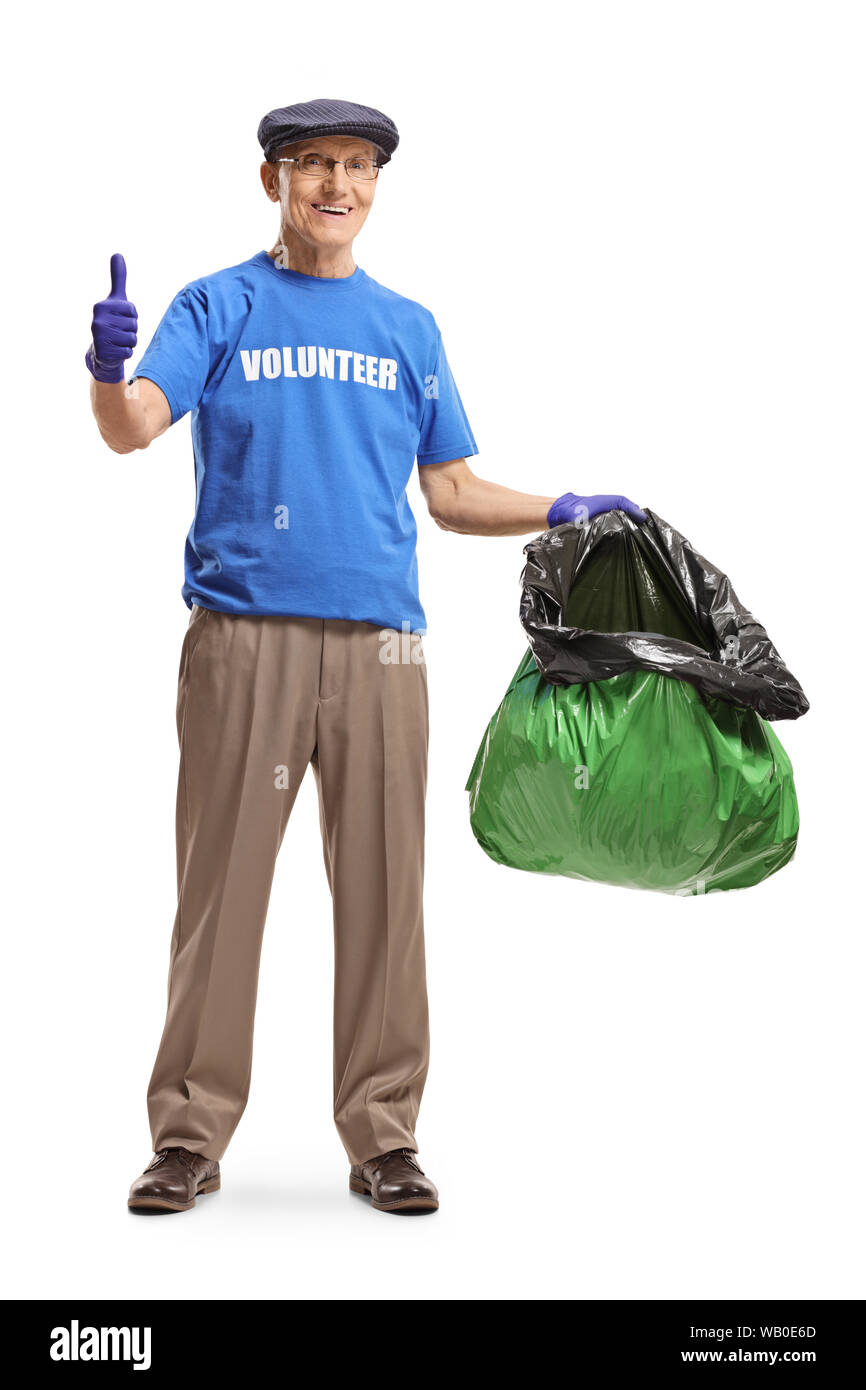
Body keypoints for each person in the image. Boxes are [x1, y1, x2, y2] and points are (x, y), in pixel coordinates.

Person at [87, 97, 644, 1216]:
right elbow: (133, 425)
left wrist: (561, 507)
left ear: (377, 185)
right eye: (310, 166)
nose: (334, 185)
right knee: (221, 891)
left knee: (386, 895)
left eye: (354, 167)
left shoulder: (408, 329)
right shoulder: (220, 304)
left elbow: (447, 492)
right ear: (271, 182)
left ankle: (384, 1136)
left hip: (387, 647)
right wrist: (105, 371)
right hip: (246, 638)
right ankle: (187, 1135)